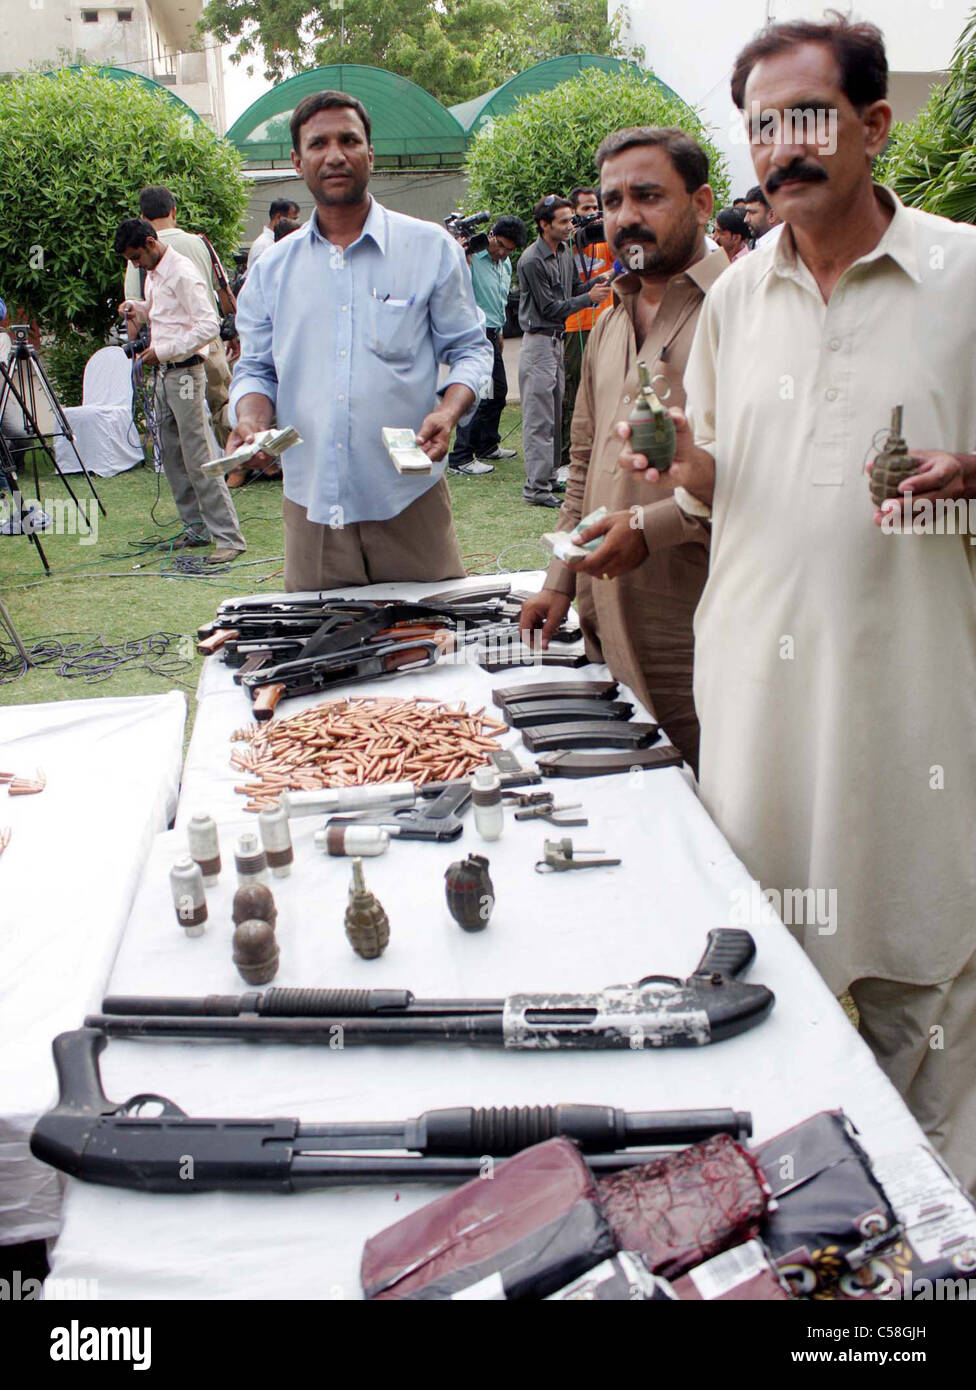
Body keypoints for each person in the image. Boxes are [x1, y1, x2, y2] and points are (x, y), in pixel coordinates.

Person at [619, 15, 976, 1191]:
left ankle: (939, 1251)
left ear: (875, 125)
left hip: (918, 708)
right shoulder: (734, 301)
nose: (782, 149)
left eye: (808, 119)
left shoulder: (961, 275)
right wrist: (676, 455)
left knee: (929, 978)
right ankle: (811, 1217)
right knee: (775, 975)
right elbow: (723, 483)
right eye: (762, 127)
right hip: (761, 708)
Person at [519, 128, 727, 773]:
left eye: (647, 195)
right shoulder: (610, 317)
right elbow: (584, 462)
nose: (625, 216)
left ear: (700, 203)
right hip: (603, 606)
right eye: (611, 201)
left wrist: (651, 528)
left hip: (697, 611)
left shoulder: (742, 309)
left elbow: (774, 471)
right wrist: (561, 577)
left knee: (708, 800)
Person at [227, 90, 492, 592]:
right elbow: (257, 368)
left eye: (349, 140)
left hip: (408, 495)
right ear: (296, 160)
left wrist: (449, 409)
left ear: (369, 153)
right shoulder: (271, 269)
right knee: (324, 658)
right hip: (312, 505)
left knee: (430, 646)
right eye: (318, 143)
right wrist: (252, 421)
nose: (335, 155)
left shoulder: (429, 247)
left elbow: (470, 348)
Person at [115, 218, 246, 563]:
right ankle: (195, 527)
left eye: (135, 257)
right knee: (172, 454)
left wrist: (165, 350)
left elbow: (208, 325)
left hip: (186, 372)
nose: (134, 265)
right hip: (165, 373)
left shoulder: (182, 272)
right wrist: (138, 310)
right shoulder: (156, 273)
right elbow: (166, 316)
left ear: (149, 243)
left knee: (199, 452)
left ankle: (229, 537)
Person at [122, 186, 237, 448]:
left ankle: (214, 478)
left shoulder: (138, 252)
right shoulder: (200, 242)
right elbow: (223, 289)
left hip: (170, 353)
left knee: (183, 435)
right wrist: (234, 331)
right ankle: (239, 465)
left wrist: (139, 353)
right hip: (211, 345)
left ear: (142, 216)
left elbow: (136, 312)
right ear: (174, 211)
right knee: (223, 406)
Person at [517, 195, 611, 508]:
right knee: (539, 420)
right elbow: (550, 308)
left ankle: (547, 479)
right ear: (545, 225)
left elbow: (574, 290)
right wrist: (589, 299)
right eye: (564, 221)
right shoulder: (532, 260)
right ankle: (536, 490)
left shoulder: (564, 253)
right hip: (539, 342)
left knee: (555, 416)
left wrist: (600, 282)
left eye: (572, 220)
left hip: (555, 342)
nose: (571, 226)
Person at [448, 214, 526, 477]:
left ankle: (486, 445)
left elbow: (498, 300)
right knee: (477, 395)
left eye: (509, 250)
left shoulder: (504, 265)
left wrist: (501, 329)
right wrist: (462, 254)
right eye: (500, 245)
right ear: (491, 235)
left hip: (493, 333)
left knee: (497, 392)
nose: (502, 252)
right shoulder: (472, 258)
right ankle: (460, 457)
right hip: (474, 335)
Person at [560, 186, 614, 472]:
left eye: (595, 208)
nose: (592, 214)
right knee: (574, 390)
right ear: (573, 213)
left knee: (606, 388)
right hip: (576, 327)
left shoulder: (606, 239)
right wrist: (576, 233)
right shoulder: (567, 243)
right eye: (585, 209)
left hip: (607, 322)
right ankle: (567, 456)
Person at [248, 199, 302, 269]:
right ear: (279, 217)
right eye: (294, 219)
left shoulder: (283, 241)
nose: (296, 224)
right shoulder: (263, 245)